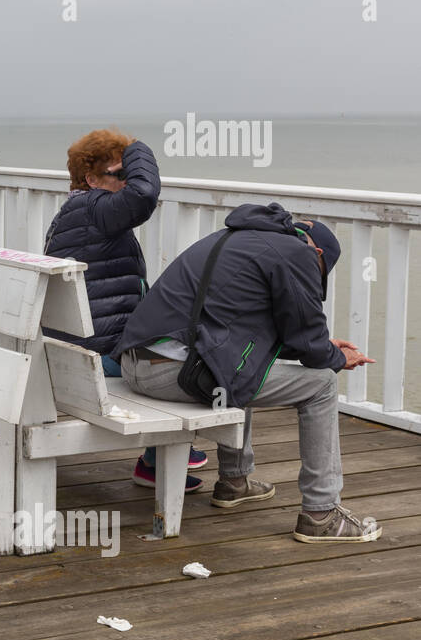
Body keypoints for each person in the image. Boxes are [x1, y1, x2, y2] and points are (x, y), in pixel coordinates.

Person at [115, 205, 381, 542]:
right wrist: (335, 357)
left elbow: (260, 335)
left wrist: (323, 346)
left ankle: (234, 483)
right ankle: (321, 513)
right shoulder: (296, 254)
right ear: (315, 252)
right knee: (322, 384)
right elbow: (310, 346)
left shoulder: (234, 238)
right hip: (175, 375)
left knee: (245, 363)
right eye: (320, 271)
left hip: (136, 364)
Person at [43, 130, 207, 490]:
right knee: (191, 359)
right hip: (98, 357)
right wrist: (138, 148)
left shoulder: (74, 212)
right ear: (91, 180)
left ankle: (161, 457)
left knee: (170, 339)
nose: (128, 179)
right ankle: (163, 456)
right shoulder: (93, 209)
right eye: (120, 173)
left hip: (72, 352)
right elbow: (144, 194)